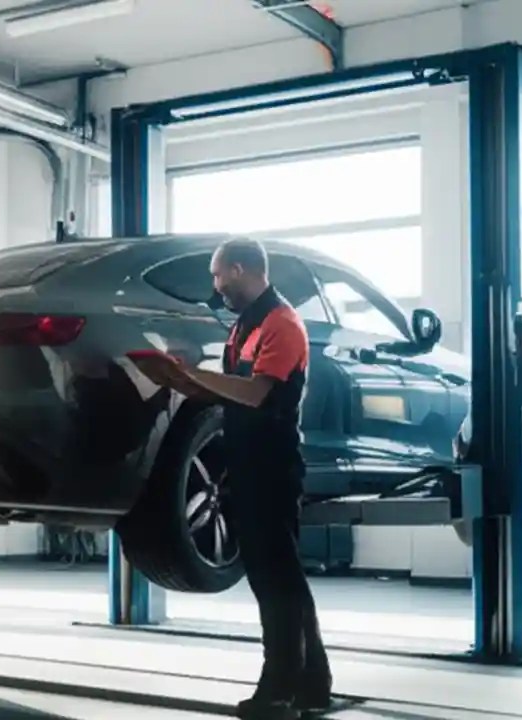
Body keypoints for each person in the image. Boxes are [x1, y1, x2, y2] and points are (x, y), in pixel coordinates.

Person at [144, 238, 331, 720]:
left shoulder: (282, 324)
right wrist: (179, 379)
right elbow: (227, 393)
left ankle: (279, 688)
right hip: (247, 466)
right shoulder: (245, 327)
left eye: (218, 275)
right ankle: (313, 684)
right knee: (280, 576)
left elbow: (254, 394)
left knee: (275, 581)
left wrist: (197, 377)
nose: (216, 286)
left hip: (272, 468)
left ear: (242, 269)